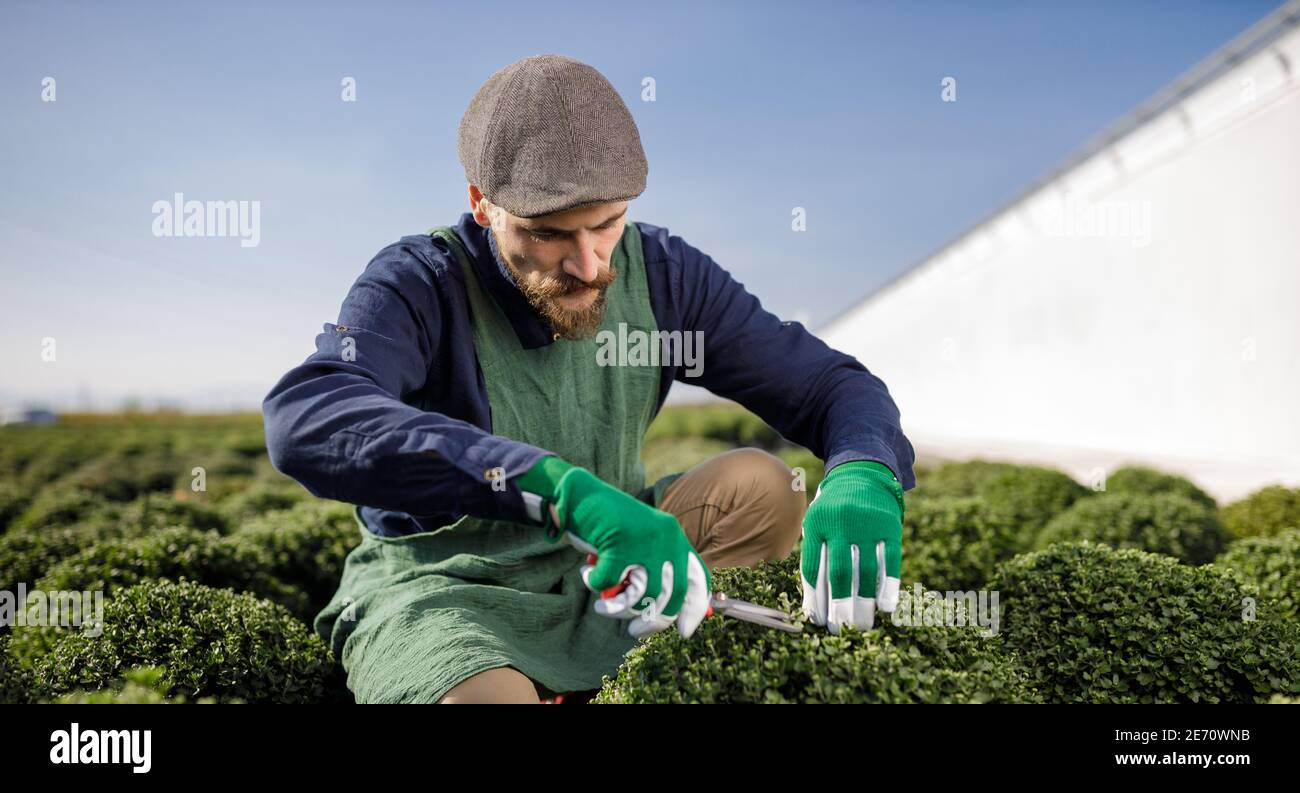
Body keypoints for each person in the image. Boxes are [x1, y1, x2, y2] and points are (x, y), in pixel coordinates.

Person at [263, 54, 915, 704]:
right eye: (548, 234)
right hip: (450, 587)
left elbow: (829, 384)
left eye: (606, 224)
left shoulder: (664, 272)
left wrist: (863, 468)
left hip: (615, 561)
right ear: (482, 204)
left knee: (763, 487)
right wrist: (558, 490)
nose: (587, 263)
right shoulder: (420, 284)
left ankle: (657, 639)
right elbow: (310, 416)